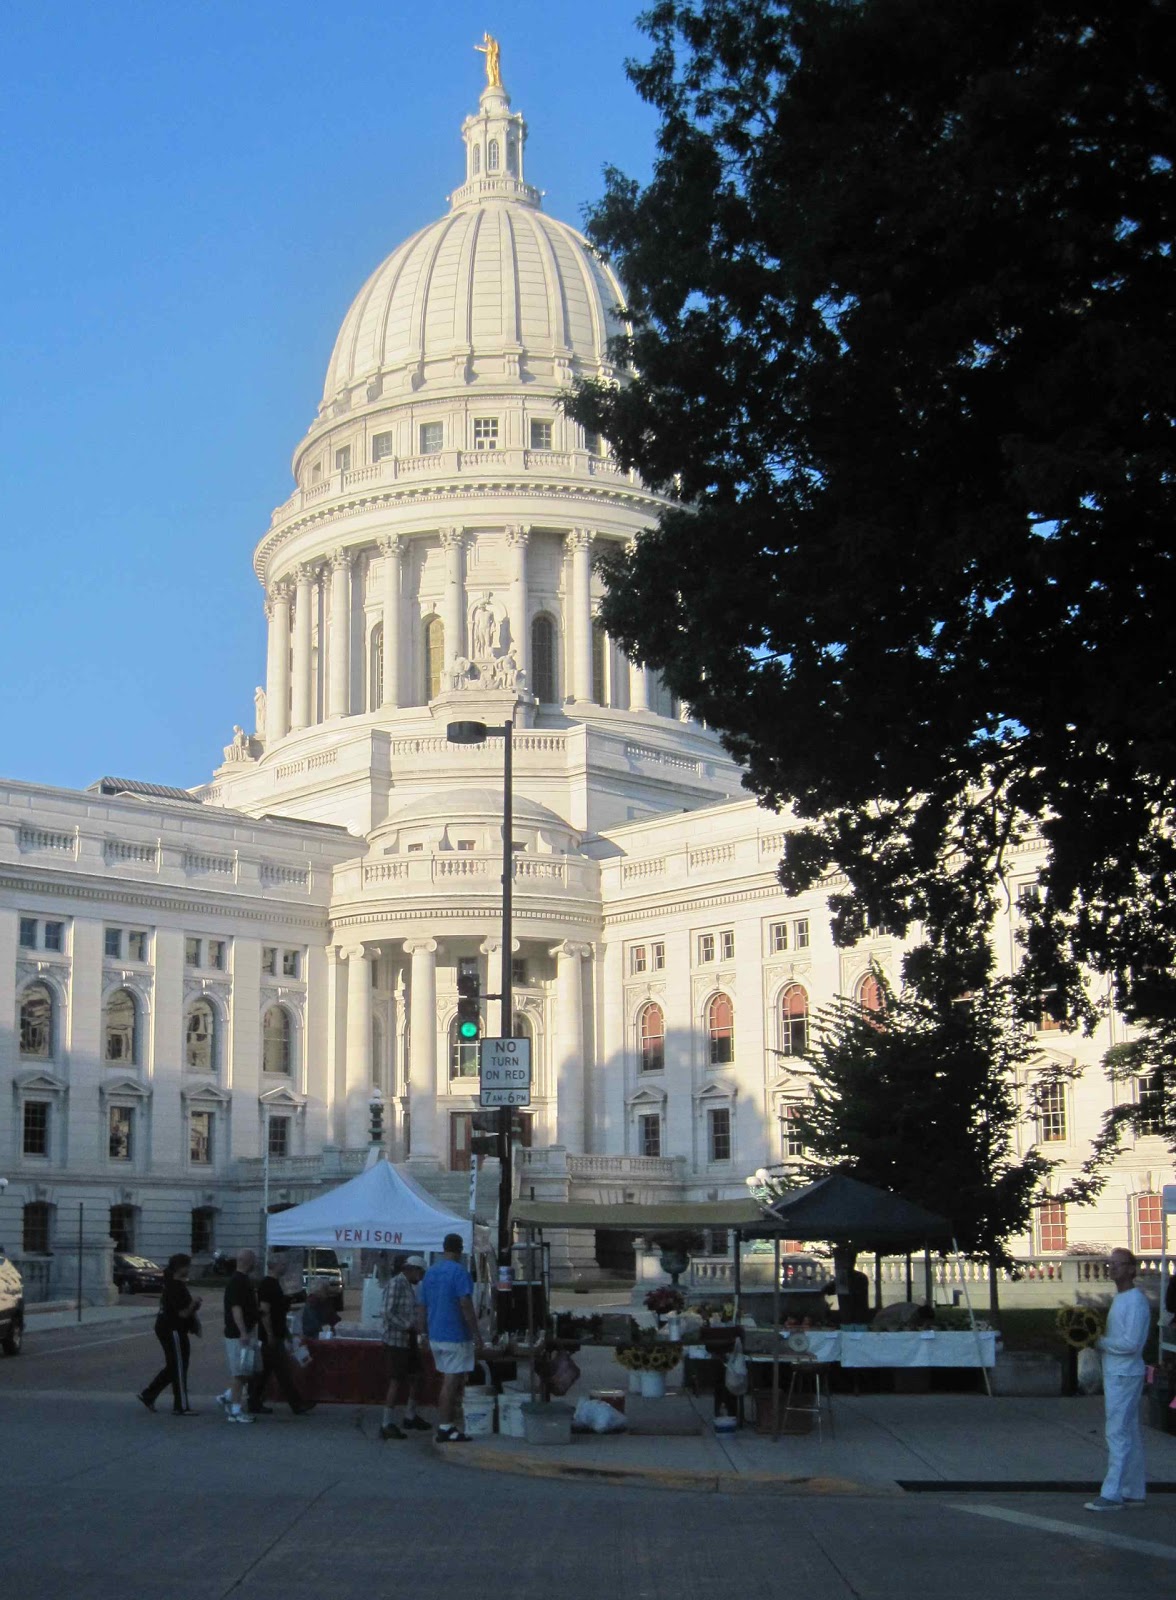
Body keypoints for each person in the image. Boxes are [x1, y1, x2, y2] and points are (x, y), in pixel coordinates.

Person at [1085, 1246, 1152, 1511]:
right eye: (1110, 1263)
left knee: (1118, 1432)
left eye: (1118, 1264)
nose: (1112, 1268)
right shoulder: (1122, 1299)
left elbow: (1131, 1343)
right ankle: (1133, 1489)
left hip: (1124, 1374)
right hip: (1118, 1372)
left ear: (1132, 1269)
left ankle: (1112, 1493)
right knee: (1129, 1431)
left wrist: (1099, 1341)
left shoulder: (1135, 1301)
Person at [419, 1233, 481, 1443]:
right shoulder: (460, 1273)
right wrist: (476, 1334)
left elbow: (422, 1306)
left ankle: (449, 1423)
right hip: (455, 1335)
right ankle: (446, 1427)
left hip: (435, 1334)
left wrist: (423, 1333)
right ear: (460, 1249)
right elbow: (465, 1305)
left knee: (448, 1380)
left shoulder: (430, 1273)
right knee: (451, 1382)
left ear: (443, 1248)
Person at [138, 1253, 202, 1415]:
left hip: (169, 1328)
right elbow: (182, 1313)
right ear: (181, 1267)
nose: (189, 1269)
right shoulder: (175, 1286)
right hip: (172, 1328)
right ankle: (181, 1405)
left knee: (174, 1365)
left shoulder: (173, 1283)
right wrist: (194, 1304)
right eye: (188, 1266)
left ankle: (149, 1394)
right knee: (179, 1366)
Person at [250, 1253, 312, 1416]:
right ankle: (297, 1404)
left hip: (277, 1332)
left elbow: (278, 1311)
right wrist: (269, 1333)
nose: (285, 1267)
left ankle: (254, 1401)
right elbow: (265, 1311)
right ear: (275, 1265)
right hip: (271, 1335)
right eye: (283, 1264)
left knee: (267, 1371)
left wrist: (286, 1332)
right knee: (282, 1371)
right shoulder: (267, 1285)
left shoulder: (275, 1285)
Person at [379, 1255, 430, 1440]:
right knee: (396, 1380)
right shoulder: (396, 1284)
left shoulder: (409, 1286)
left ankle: (410, 1415)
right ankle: (386, 1423)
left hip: (407, 1339)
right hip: (395, 1340)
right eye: (421, 1273)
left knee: (417, 1376)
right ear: (413, 1269)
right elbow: (386, 1312)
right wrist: (407, 1325)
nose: (421, 1277)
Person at [218, 1247, 260, 1424]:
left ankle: (228, 1397)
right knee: (240, 1372)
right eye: (254, 1260)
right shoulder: (237, 1282)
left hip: (246, 1332)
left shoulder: (244, 1280)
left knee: (247, 1370)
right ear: (248, 1261)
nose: (255, 1264)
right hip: (237, 1334)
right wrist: (243, 1331)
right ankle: (235, 1410)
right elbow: (236, 1308)